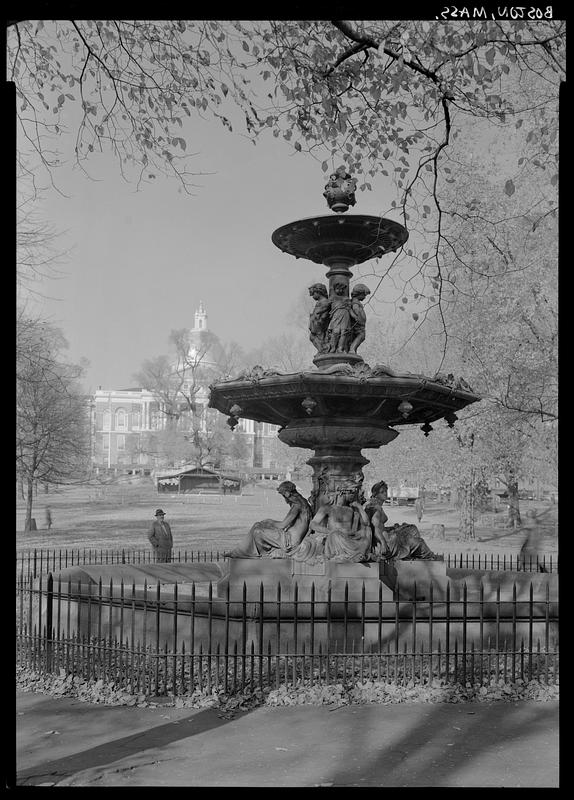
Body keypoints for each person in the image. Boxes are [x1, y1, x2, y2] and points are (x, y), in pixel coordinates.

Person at [225, 481, 312, 558]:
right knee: (257, 525)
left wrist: (269, 521)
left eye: (283, 495)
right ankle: (241, 552)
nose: (284, 498)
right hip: (288, 536)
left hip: (289, 541)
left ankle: (246, 553)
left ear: (287, 493)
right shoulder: (302, 502)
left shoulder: (297, 505)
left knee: (257, 531)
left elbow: (283, 525)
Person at [364, 480, 439, 561]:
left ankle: (415, 554)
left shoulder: (375, 506)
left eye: (386, 491)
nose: (385, 493)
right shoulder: (375, 508)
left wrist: (393, 528)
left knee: (411, 528)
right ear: (376, 494)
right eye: (382, 492)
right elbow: (375, 527)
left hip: (388, 538)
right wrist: (383, 543)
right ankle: (430, 557)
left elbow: (379, 526)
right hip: (388, 543)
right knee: (418, 542)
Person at [309, 489, 373, 562]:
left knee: (366, 534)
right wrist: (329, 531)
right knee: (335, 535)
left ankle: (357, 555)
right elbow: (312, 524)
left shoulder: (351, 509)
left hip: (349, 537)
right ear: (341, 493)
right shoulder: (328, 508)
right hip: (335, 536)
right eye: (351, 493)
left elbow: (366, 523)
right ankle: (352, 556)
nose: (353, 495)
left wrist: (359, 507)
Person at [327, 281, 353, 353]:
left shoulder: (346, 299)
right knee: (335, 332)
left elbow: (350, 309)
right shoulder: (332, 298)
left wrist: (355, 316)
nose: (340, 290)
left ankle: (340, 348)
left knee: (344, 332)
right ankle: (333, 347)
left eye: (342, 289)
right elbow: (325, 307)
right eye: (338, 289)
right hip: (336, 316)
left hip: (345, 315)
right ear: (334, 289)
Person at [308, 283, 331, 353]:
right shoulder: (320, 302)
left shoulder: (325, 302)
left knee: (317, 338)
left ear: (319, 292)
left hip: (320, 325)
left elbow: (319, 314)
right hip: (317, 325)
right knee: (313, 338)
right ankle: (322, 350)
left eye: (313, 294)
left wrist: (314, 317)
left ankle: (323, 349)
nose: (312, 296)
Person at [349, 283, 371, 353]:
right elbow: (356, 310)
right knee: (361, 336)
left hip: (359, 324)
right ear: (359, 293)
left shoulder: (356, 302)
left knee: (360, 336)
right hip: (358, 324)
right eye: (364, 295)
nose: (364, 297)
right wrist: (358, 317)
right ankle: (352, 349)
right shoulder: (355, 302)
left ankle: (353, 349)